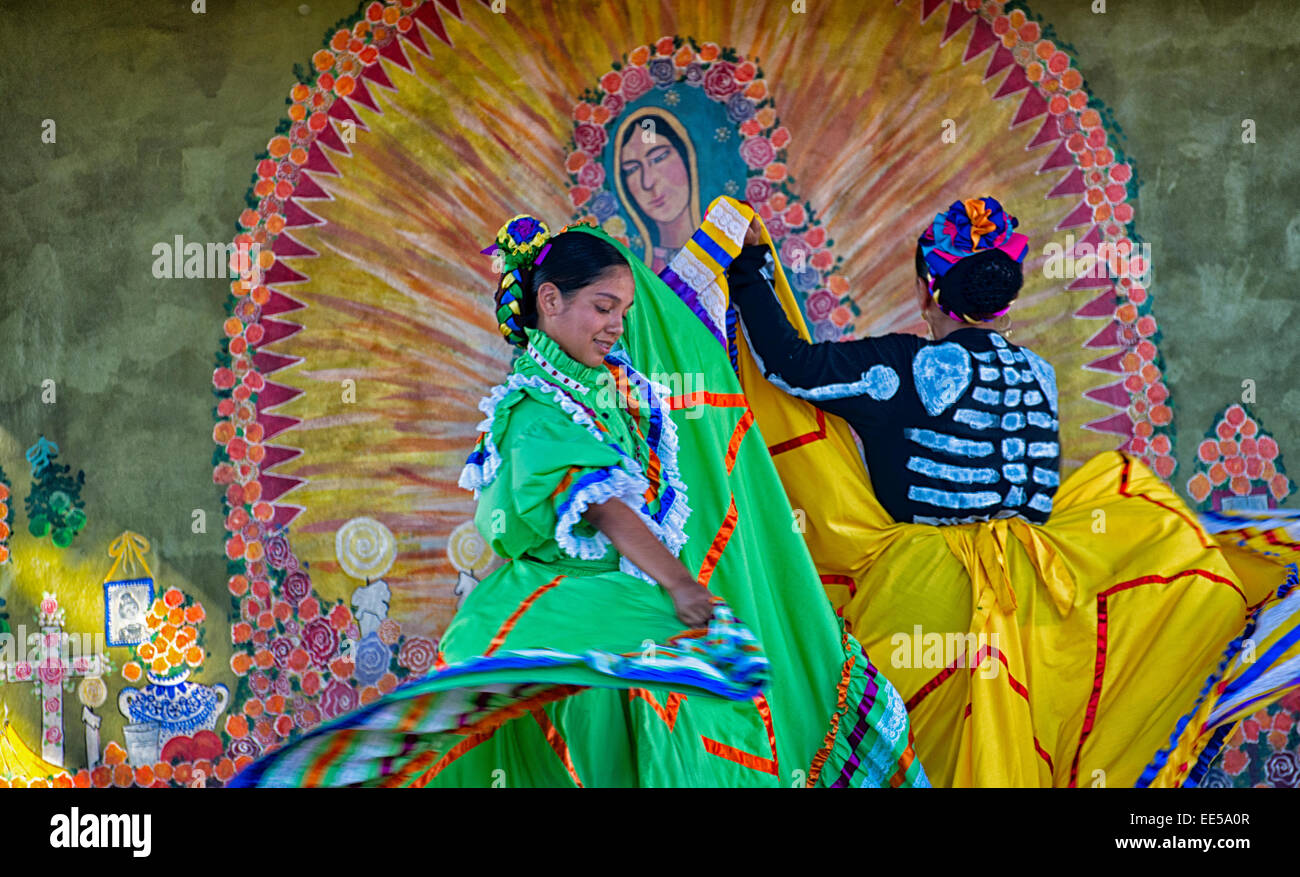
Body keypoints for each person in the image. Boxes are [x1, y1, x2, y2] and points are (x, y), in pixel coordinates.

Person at [231, 214, 927, 788]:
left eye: (623, 311)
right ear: (549, 302)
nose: (617, 326)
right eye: (602, 307)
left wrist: (724, 238)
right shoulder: (535, 411)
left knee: (705, 692)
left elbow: (675, 327)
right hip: (563, 613)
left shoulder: (606, 385)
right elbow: (605, 506)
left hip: (613, 609)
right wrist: (680, 582)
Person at [669, 193, 1300, 787]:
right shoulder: (1042, 377)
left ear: (927, 292)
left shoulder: (909, 366)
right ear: (1003, 302)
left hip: (925, 593)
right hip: (1038, 601)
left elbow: (787, 366)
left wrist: (750, 267)